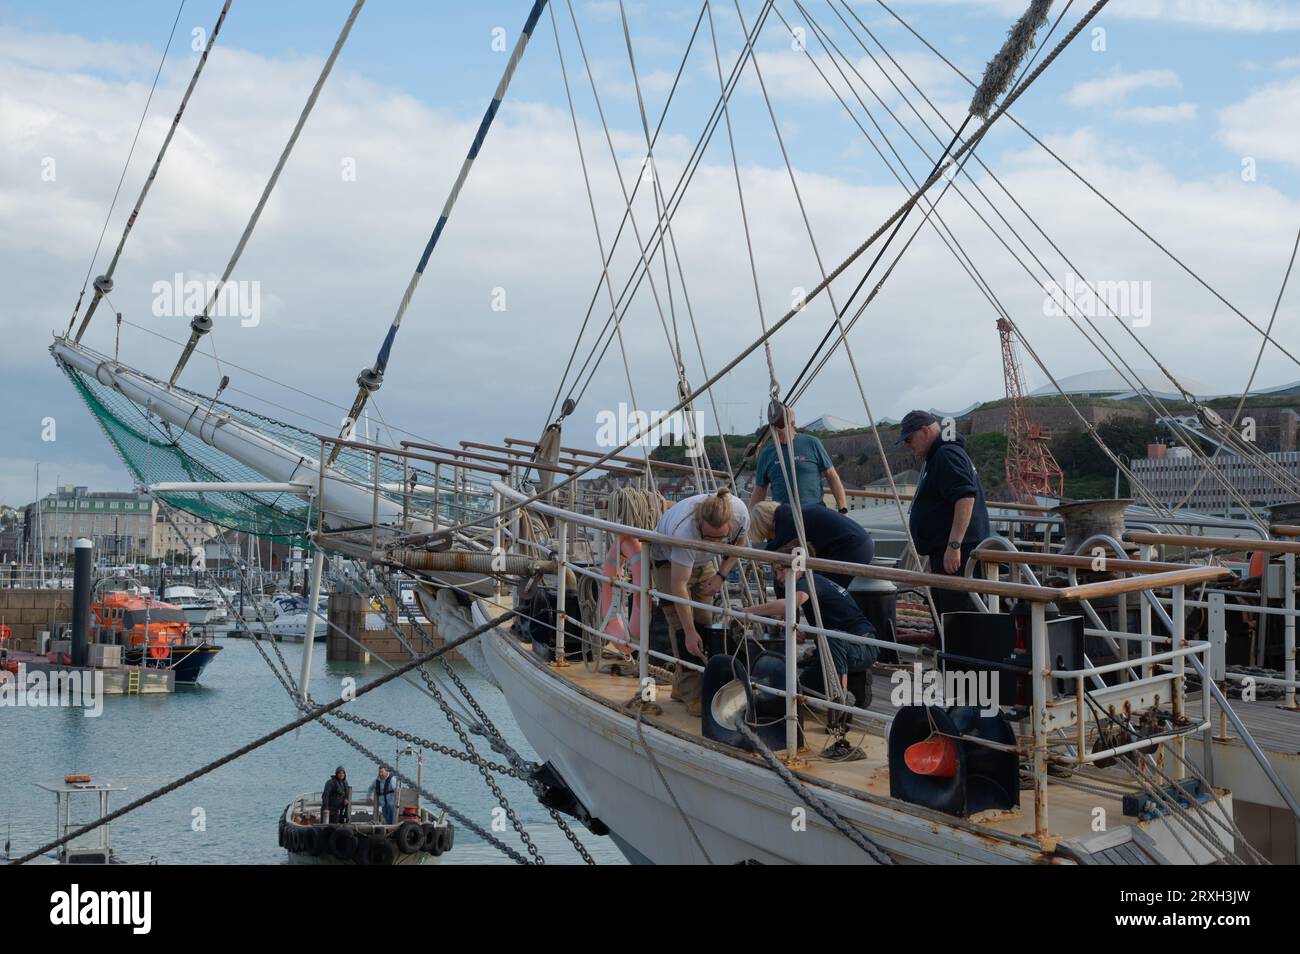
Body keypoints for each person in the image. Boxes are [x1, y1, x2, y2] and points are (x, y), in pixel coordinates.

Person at [648, 487, 749, 715]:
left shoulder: (741, 514)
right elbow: (679, 586)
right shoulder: (684, 531)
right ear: (699, 523)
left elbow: (740, 543)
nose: (714, 542)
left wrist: (720, 575)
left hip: (704, 563)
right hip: (668, 561)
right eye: (709, 537)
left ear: (730, 525)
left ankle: (679, 687)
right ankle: (692, 695)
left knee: (705, 623)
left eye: (720, 538)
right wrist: (690, 631)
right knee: (682, 629)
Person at [898, 410, 991, 623]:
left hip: (959, 553)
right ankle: (951, 654)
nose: (907, 445)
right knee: (948, 615)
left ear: (924, 431)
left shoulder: (946, 455)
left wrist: (954, 546)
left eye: (908, 438)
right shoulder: (939, 456)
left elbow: (965, 498)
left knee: (959, 617)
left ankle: (958, 656)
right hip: (947, 553)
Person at [750, 564, 877, 708]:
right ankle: (855, 676)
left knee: (832, 638)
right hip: (837, 647)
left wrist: (746, 612)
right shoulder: (815, 582)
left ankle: (840, 704)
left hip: (864, 646)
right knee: (802, 692)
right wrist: (804, 634)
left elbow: (790, 604)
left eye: (781, 571)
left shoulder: (808, 582)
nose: (778, 577)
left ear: (798, 567)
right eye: (775, 572)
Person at [749, 500, 874, 588]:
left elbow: (777, 550)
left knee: (823, 591)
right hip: (861, 542)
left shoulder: (787, 522)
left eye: (765, 535)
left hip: (851, 548)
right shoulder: (792, 512)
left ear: (764, 525)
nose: (768, 538)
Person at [750, 404, 848, 511]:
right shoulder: (767, 453)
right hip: (783, 514)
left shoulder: (812, 443)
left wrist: (843, 509)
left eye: (781, 424)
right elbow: (759, 490)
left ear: (792, 423)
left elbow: (832, 476)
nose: (777, 428)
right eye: (774, 425)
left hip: (814, 510)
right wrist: (751, 521)